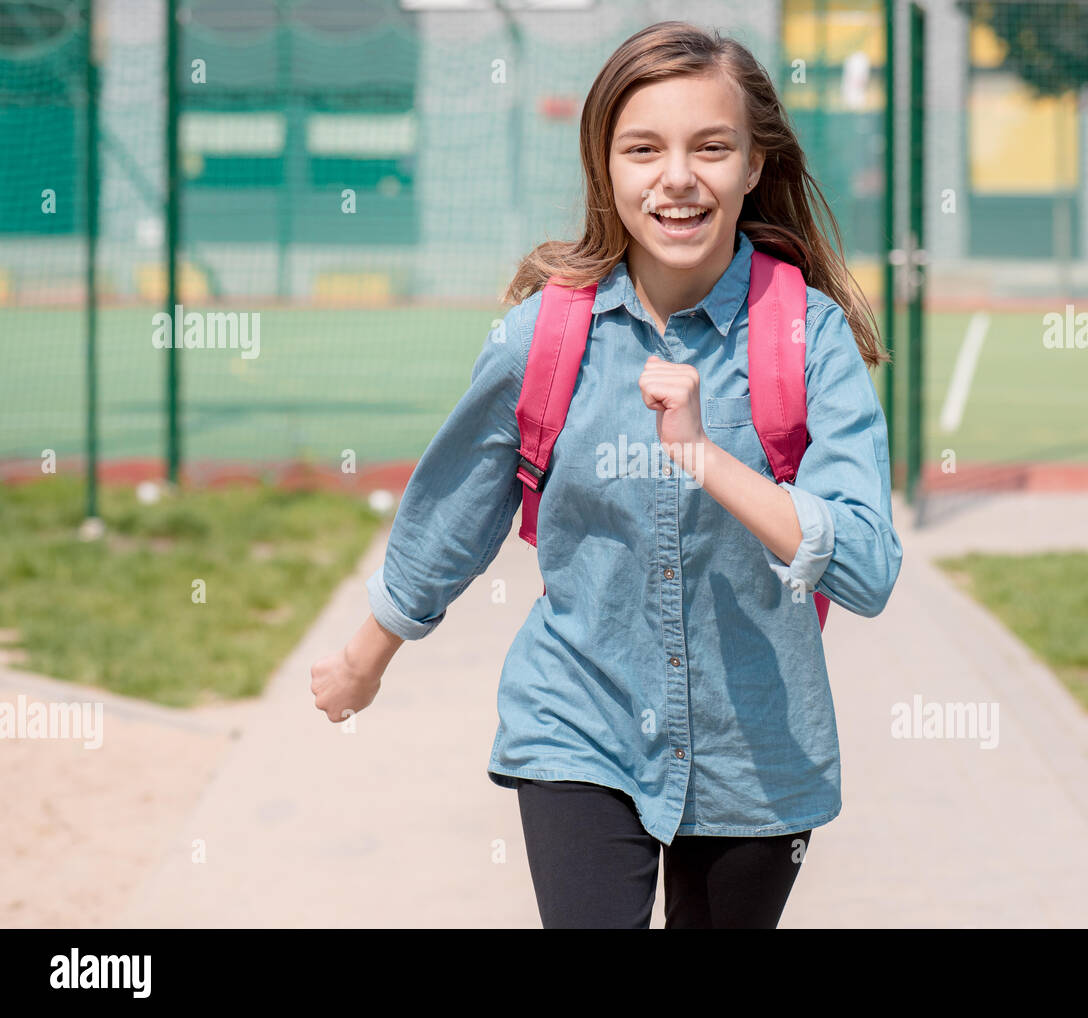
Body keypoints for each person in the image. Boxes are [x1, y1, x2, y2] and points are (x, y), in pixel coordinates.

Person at [311, 20, 903, 929]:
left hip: (759, 757)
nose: (677, 177)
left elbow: (865, 567)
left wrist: (708, 459)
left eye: (712, 146)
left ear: (753, 164)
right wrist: (364, 660)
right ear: (606, 167)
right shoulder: (540, 339)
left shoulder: (808, 338)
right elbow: (451, 520)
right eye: (643, 149)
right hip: (576, 724)